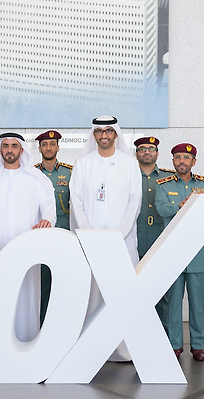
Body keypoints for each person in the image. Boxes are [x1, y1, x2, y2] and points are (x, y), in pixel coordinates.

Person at [0, 133, 56, 341]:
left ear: (21, 150)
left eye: (14, 146)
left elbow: (49, 210)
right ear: (0, 150)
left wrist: (47, 220)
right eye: (5, 146)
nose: (9, 150)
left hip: (27, 251)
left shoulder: (35, 180)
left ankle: (26, 340)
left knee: (26, 296)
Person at [69, 115, 142, 361]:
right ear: (94, 135)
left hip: (122, 241)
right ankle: (90, 347)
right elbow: (76, 201)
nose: (104, 135)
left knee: (122, 293)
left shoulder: (129, 163)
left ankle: (123, 349)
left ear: (116, 134)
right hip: (90, 241)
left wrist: (119, 233)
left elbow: (135, 200)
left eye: (109, 131)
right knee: (92, 292)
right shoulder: (82, 163)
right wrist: (89, 233)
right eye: (99, 131)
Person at [154, 142, 204, 361]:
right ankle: (175, 345)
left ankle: (197, 346)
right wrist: (179, 205)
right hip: (173, 251)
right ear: (173, 161)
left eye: (186, 158)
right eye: (178, 157)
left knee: (197, 303)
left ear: (193, 161)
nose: (182, 161)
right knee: (173, 303)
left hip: (198, 252)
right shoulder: (163, 185)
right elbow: (161, 209)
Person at [134, 136, 172, 345]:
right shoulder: (129, 175)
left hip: (161, 237)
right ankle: (139, 335)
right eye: (142, 149)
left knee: (162, 289)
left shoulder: (169, 177)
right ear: (136, 153)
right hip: (135, 238)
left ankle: (163, 337)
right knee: (136, 288)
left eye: (151, 148)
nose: (146, 152)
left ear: (157, 153)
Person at [33, 129, 71, 323]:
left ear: (58, 147)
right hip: (38, 236)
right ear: (39, 148)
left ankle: (61, 323)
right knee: (41, 282)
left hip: (63, 235)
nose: (49, 148)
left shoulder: (69, 173)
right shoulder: (31, 173)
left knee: (62, 281)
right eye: (45, 145)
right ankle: (39, 323)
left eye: (52, 144)